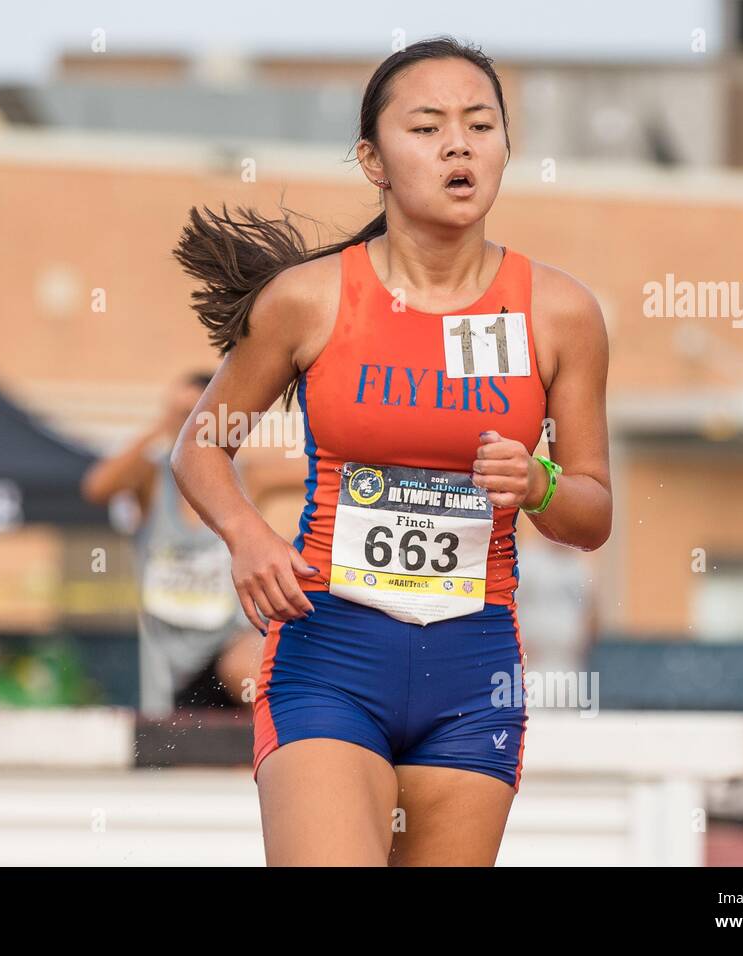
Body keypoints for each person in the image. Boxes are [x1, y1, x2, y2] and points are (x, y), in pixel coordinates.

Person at [170, 36, 612, 865]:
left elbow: (593, 513)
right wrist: (247, 534)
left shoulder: (560, 314)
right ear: (373, 159)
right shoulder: (310, 299)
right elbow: (201, 447)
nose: (458, 144)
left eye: (481, 125)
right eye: (428, 127)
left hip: (474, 678)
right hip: (328, 659)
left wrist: (541, 481)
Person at [81, 371, 262, 720]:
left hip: (229, 645)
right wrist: (162, 429)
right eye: (177, 413)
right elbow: (98, 487)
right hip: (166, 659)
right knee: (177, 750)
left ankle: (284, 750)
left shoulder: (246, 476)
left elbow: (313, 470)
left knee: (259, 663)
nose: (184, 423)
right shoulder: (152, 480)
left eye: (192, 415)